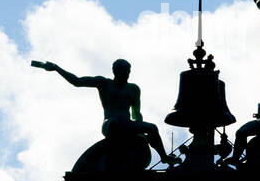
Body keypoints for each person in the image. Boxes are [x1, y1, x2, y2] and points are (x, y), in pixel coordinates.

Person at [38, 58, 172, 163]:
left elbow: (136, 113)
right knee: (115, 123)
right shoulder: (104, 83)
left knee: (152, 128)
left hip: (127, 123)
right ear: (115, 71)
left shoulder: (134, 89)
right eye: (124, 71)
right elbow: (77, 81)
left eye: (128, 71)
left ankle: (164, 157)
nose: (127, 74)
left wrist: (141, 131)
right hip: (110, 123)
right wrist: (56, 68)